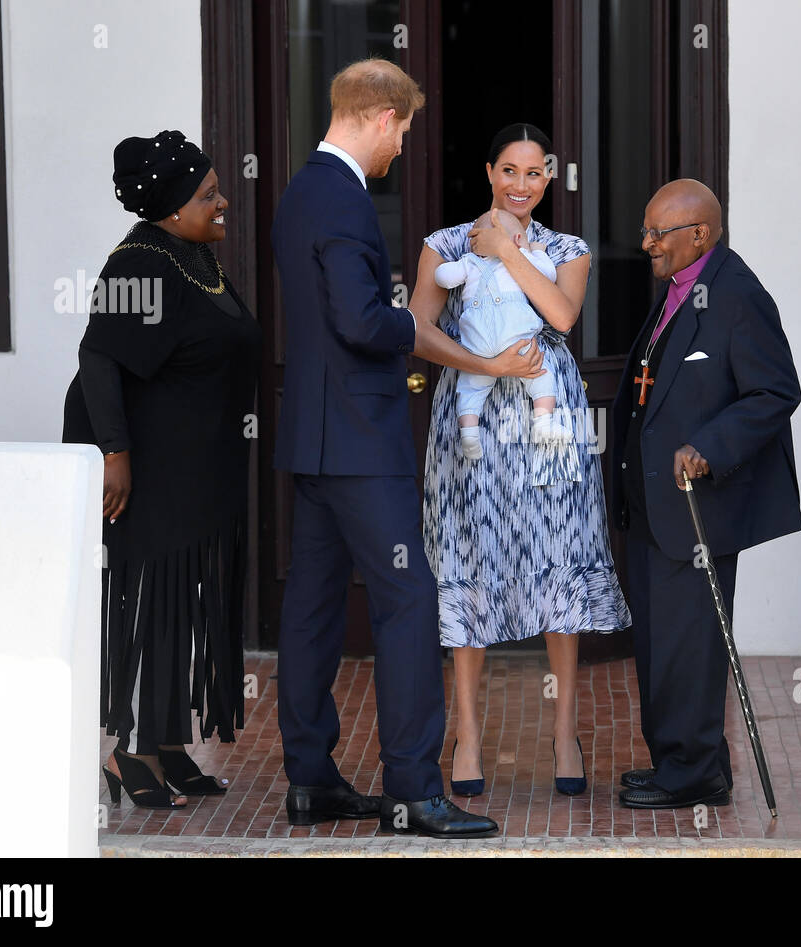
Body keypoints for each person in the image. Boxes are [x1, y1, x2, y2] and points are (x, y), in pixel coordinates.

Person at [271, 60, 542, 837]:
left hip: (314, 439)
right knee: (409, 600)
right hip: (361, 442)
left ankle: (311, 781)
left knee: (313, 607)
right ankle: (413, 790)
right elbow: (360, 322)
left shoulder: (298, 193)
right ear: (384, 116)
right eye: (406, 130)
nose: (402, 148)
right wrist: (420, 327)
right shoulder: (347, 199)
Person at [410, 123, 632, 799]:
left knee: (559, 555)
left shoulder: (569, 248)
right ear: (488, 171)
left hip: (548, 420)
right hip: (472, 414)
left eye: (534, 173)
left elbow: (561, 315)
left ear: (548, 179)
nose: (521, 184)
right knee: (471, 560)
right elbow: (415, 331)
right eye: (509, 170)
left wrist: (506, 248)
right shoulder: (443, 246)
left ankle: (565, 731)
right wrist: (486, 362)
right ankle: (468, 733)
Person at [62, 130, 260, 809]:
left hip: (200, 472)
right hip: (155, 476)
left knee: (184, 607)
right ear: (172, 206)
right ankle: (129, 752)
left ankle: (168, 741)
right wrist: (114, 454)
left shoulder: (191, 255)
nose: (222, 200)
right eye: (208, 193)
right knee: (154, 608)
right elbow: (98, 357)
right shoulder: (141, 261)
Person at [611, 179, 801, 809]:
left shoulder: (740, 296)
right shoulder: (678, 290)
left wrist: (711, 447)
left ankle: (692, 774)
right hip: (653, 506)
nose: (646, 244)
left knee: (690, 644)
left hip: (700, 506)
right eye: (645, 230)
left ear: (700, 233)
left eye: (658, 233)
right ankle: (683, 760)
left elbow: (774, 393)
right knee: (659, 642)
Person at [434, 207, 572, 457]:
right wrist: (536, 252)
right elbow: (549, 274)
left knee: (471, 385)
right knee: (540, 374)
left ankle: (469, 434)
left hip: (478, 340)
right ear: (519, 240)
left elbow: (443, 278)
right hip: (515, 334)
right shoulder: (523, 257)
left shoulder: (468, 262)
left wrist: (447, 267)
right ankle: (543, 422)